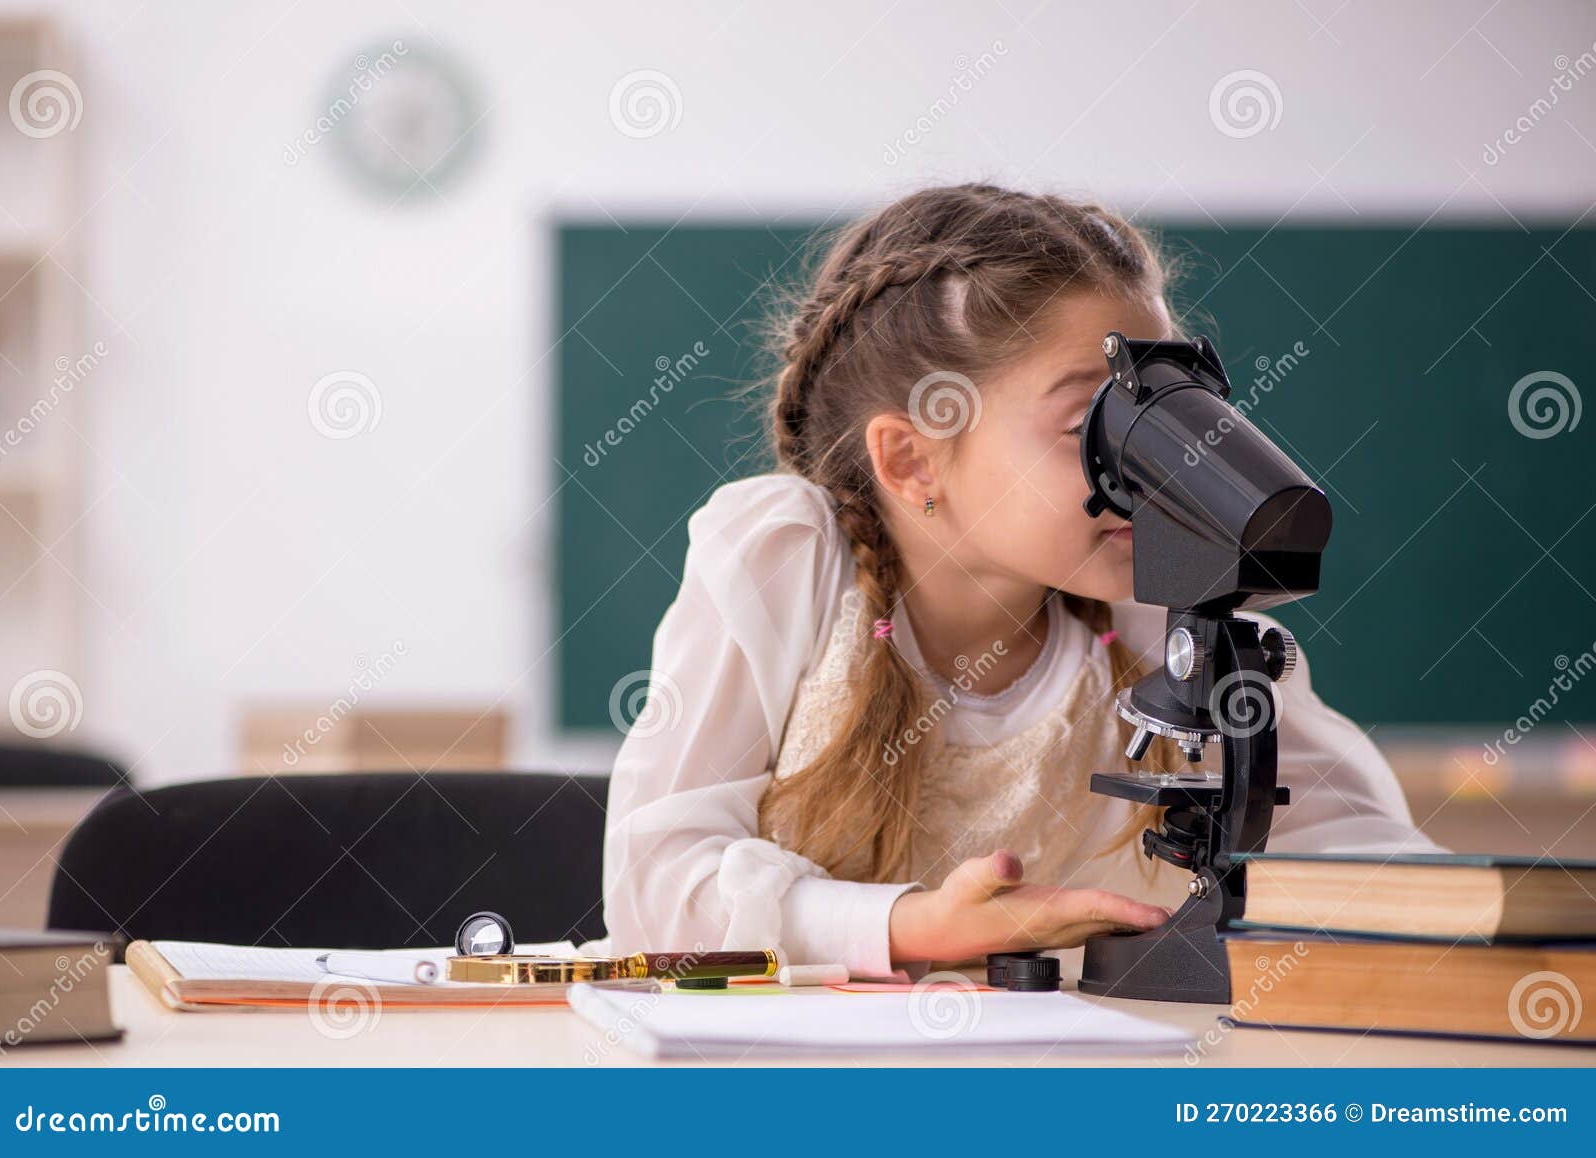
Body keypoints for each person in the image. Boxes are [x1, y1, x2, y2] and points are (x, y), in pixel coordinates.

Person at [602, 183, 1437, 980]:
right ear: (912, 458)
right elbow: (653, 888)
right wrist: (911, 925)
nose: (1159, 474)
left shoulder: (1149, 617)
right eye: (1093, 427)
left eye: (1164, 418)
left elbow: (1366, 854)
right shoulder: (792, 561)